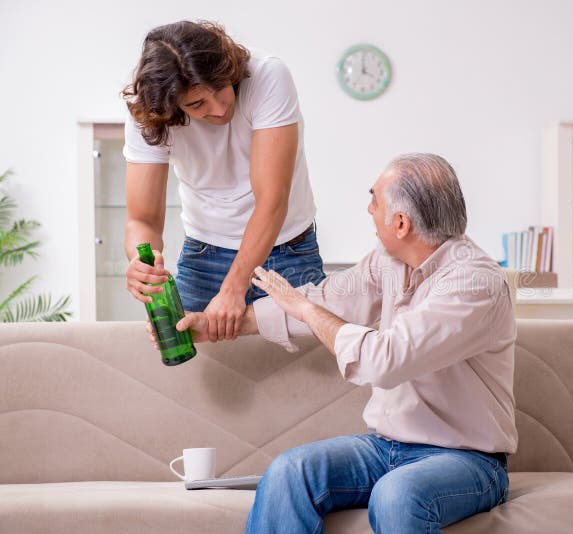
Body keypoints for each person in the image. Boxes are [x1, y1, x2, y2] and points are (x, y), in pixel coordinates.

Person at [171, 153, 517, 533]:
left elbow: (383, 360)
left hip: (466, 461)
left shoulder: (473, 282)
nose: (369, 209)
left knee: (398, 494)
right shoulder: (388, 261)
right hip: (386, 448)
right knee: (290, 471)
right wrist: (215, 325)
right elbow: (327, 300)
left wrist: (305, 309)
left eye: (375, 200)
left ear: (401, 223)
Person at [122, 20, 324, 342]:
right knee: (193, 371)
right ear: (171, 108)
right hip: (205, 256)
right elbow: (141, 219)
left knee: (306, 379)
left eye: (220, 87)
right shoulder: (149, 114)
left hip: (287, 253)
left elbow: (272, 200)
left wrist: (234, 287)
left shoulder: (268, 75)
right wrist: (140, 262)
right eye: (196, 104)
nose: (218, 108)